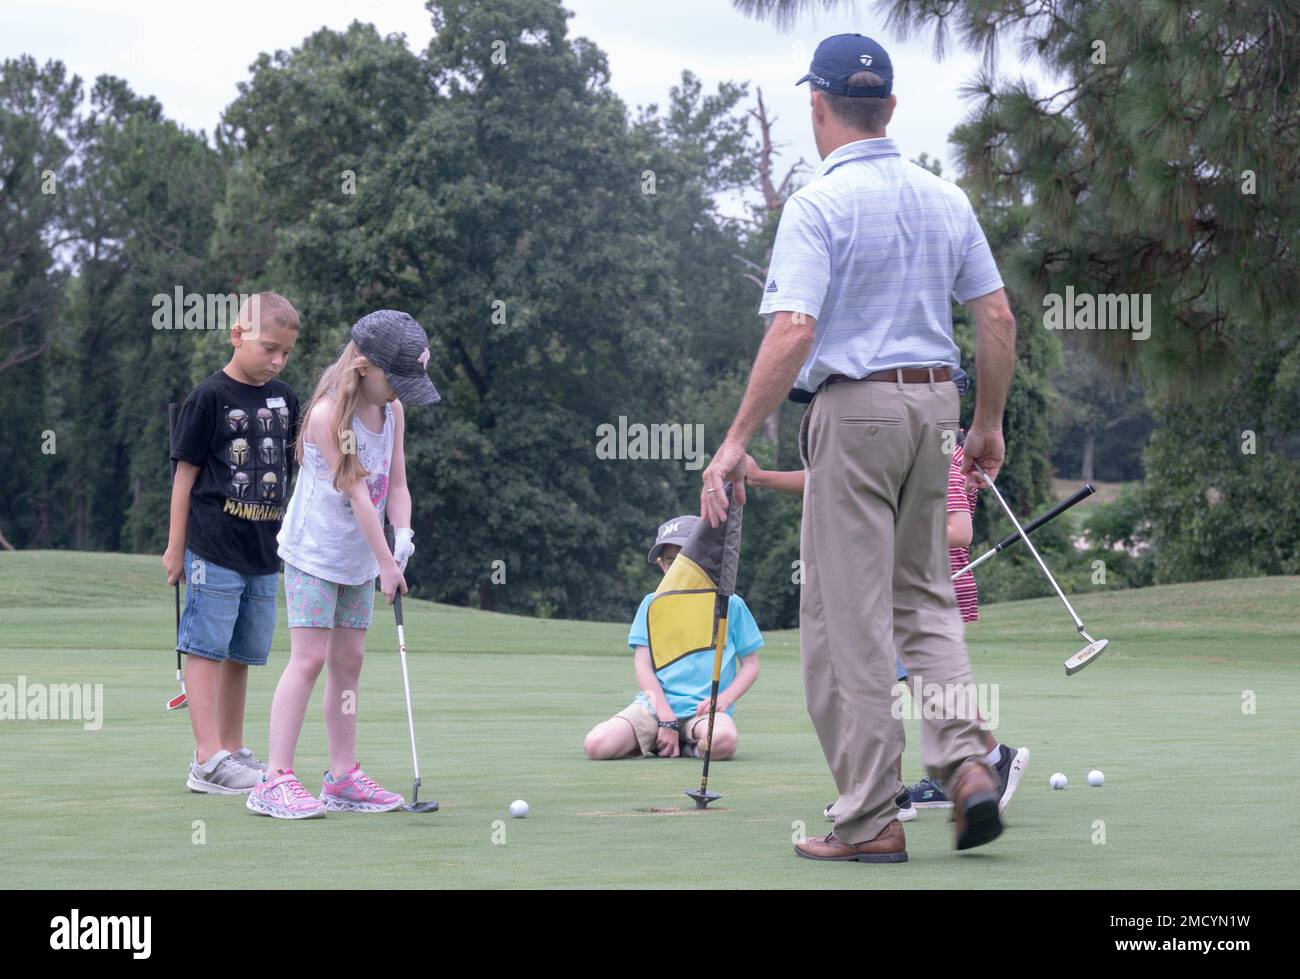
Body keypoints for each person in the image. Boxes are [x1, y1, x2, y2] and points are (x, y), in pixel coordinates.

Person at [700, 33, 1019, 863]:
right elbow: (996, 320)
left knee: (848, 623)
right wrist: (985, 423)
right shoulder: (947, 198)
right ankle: (966, 761)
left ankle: (872, 817)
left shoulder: (817, 205)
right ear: (891, 108)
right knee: (924, 600)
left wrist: (735, 440)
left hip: (855, 411)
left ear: (817, 104)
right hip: (936, 406)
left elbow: (795, 328)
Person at [743, 439, 1030, 821]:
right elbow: (831, 480)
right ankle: (893, 792)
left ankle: (991, 760)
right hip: (897, 584)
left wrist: (883, 535)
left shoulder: (938, 452)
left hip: (929, 585)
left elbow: (960, 531)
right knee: (888, 679)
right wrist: (761, 478)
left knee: (912, 678)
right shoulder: (896, 448)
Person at [247, 310, 441, 819]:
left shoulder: (392, 413)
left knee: (348, 663)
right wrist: (386, 565)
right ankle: (275, 779)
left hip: (359, 557)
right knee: (308, 659)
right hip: (315, 554)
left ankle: (342, 776)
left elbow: (395, 485)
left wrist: (403, 539)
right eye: (393, 381)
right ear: (362, 366)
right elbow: (357, 493)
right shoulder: (327, 417)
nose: (399, 392)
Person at [165, 292, 301, 794]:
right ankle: (207, 759)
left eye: (285, 352)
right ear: (237, 335)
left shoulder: (285, 398)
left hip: (264, 550)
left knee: (242, 652)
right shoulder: (209, 397)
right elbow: (184, 477)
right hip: (213, 544)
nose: (277, 361)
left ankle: (233, 749)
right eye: (269, 348)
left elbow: (300, 460)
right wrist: (175, 546)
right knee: (206, 645)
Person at [583, 516, 763, 761]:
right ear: (661, 564)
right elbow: (643, 667)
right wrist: (666, 718)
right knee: (596, 745)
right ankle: (662, 738)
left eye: (683, 559)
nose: (676, 568)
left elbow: (751, 665)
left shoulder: (730, 604)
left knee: (723, 741)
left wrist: (724, 699)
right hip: (654, 709)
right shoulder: (651, 604)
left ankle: (689, 747)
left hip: (704, 712)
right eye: (669, 561)